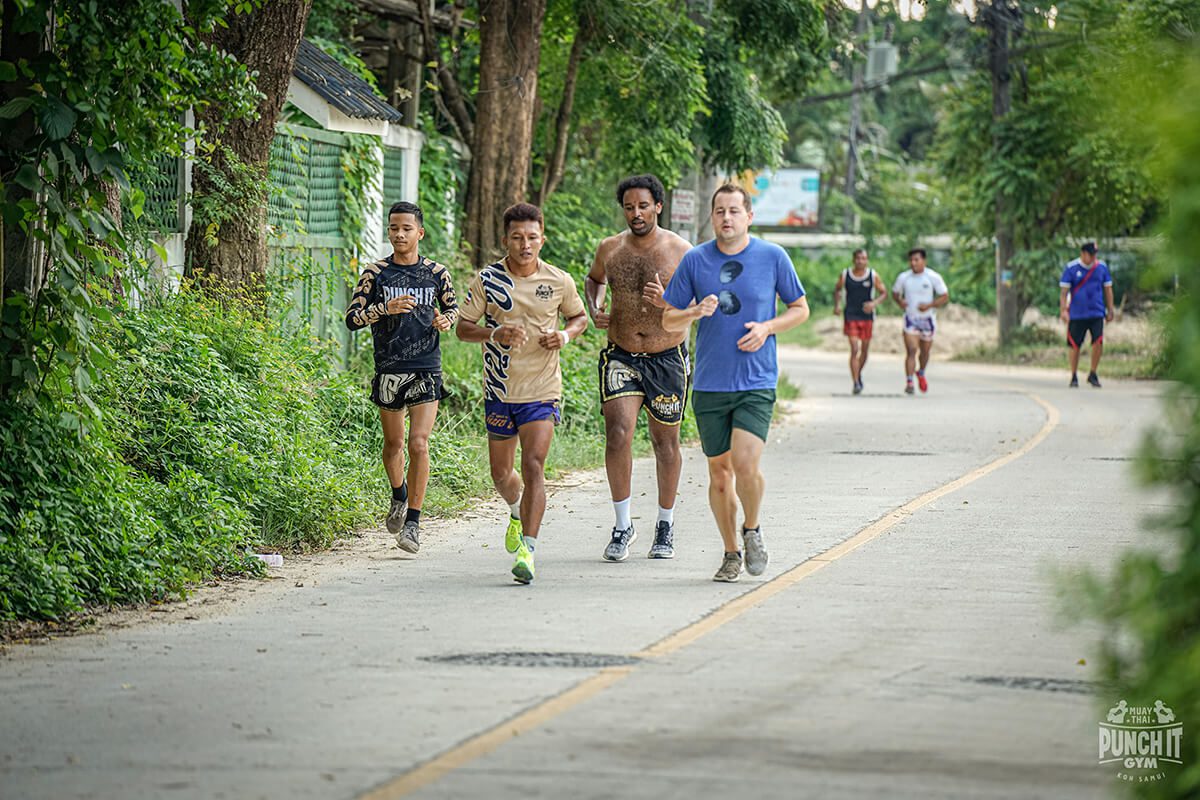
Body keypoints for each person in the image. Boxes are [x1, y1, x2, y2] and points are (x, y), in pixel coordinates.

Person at [660, 184, 809, 582]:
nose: (727, 218)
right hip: (710, 383)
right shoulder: (695, 260)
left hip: (755, 379)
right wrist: (693, 311)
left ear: (749, 216)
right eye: (720, 211)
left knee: (745, 464)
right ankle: (730, 552)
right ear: (713, 216)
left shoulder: (773, 257)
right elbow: (668, 319)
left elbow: (800, 308)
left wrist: (768, 328)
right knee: (720, 473)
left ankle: (753, 528)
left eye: (734, 211)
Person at [456, 203, 588, 584]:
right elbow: (463, 328)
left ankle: (528, 550)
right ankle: (516, 510)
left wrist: (564, 335)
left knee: (534, 464)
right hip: (500, 388)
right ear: (505, 240)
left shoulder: (559, 280)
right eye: (517, 237)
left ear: (542, 238)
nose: (525, 244)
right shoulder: (487, 280)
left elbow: (579, 318)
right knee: (501, 474)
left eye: (532, 237)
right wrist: (495, 333)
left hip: (542, 389)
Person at [586, 174, 693, 562]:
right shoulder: (610, 248)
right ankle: (622, 524)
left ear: (658, 206)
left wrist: (668, 304)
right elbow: (594, 280)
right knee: (617, 434)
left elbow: (698, 306)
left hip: (667, 358)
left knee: (665, 444)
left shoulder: (682, 251)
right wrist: (595, 307)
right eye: (629, 207)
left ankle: (664, 524)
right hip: (622, 354)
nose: (636, 213)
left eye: (643, 206)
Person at [345, 201, 457, 553]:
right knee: (393, 445)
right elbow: (352, 319)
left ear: (420, 233)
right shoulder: (375, 273)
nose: (399, 234)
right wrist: (384, 308)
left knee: (419, 443)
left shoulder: (437, 273)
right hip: (389, 368)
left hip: (427, 366)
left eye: (407, 228)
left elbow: (453, 307)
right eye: (394, 228)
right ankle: (399, 495)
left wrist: (447, 320)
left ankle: (413, 524)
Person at [891, 247, 949, 395]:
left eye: (916, 260)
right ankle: (909, 381)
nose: (913, 263)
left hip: (927, 319)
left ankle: (921, 372)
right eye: (911, 260)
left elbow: (944, 296)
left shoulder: (932, 277)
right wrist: (900, 302)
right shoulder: (904, 277)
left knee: (924, 352)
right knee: (911, 350)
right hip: (911, 318)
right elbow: (895, 293)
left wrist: (929, 305)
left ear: (924, 261)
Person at [1059, 241, 1115, 388]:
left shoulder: (1101, 267)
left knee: (1098, 341)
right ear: (1083, 253)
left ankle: (1093, 373)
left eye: (1095, 254)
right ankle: (1074, 375)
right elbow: (1064, 292)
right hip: (1077, 314)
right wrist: (1064, 310)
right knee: (1074, 345)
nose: (1093, 257)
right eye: (1091, 254)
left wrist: (1110, 309)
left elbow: (1108, 289)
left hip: (1096, 312)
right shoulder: (1071, 268)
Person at [832, 248, 888, 394]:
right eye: (858, 258)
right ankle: (856, 382)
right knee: (854, 349)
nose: (861, 261)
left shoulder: (872, 275)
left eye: (864, 258)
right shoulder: (845, 275)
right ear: (854, 260)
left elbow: (884, 292)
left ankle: (858, 373)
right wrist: (837, 305)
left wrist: (874, 304)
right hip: (850, 315)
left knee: (864, 350)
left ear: (867, 260)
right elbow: (837, 289)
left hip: (867, 316)